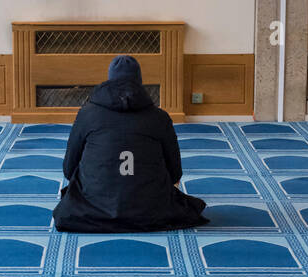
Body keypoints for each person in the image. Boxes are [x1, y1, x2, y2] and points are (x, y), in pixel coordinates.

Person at [52, 55, 208, 232]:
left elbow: (68, 169)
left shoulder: (86, 114)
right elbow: (175, 172)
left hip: (93, 208)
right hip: (150, 208)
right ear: (139, 81)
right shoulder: (159, 117)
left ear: (109, 79)